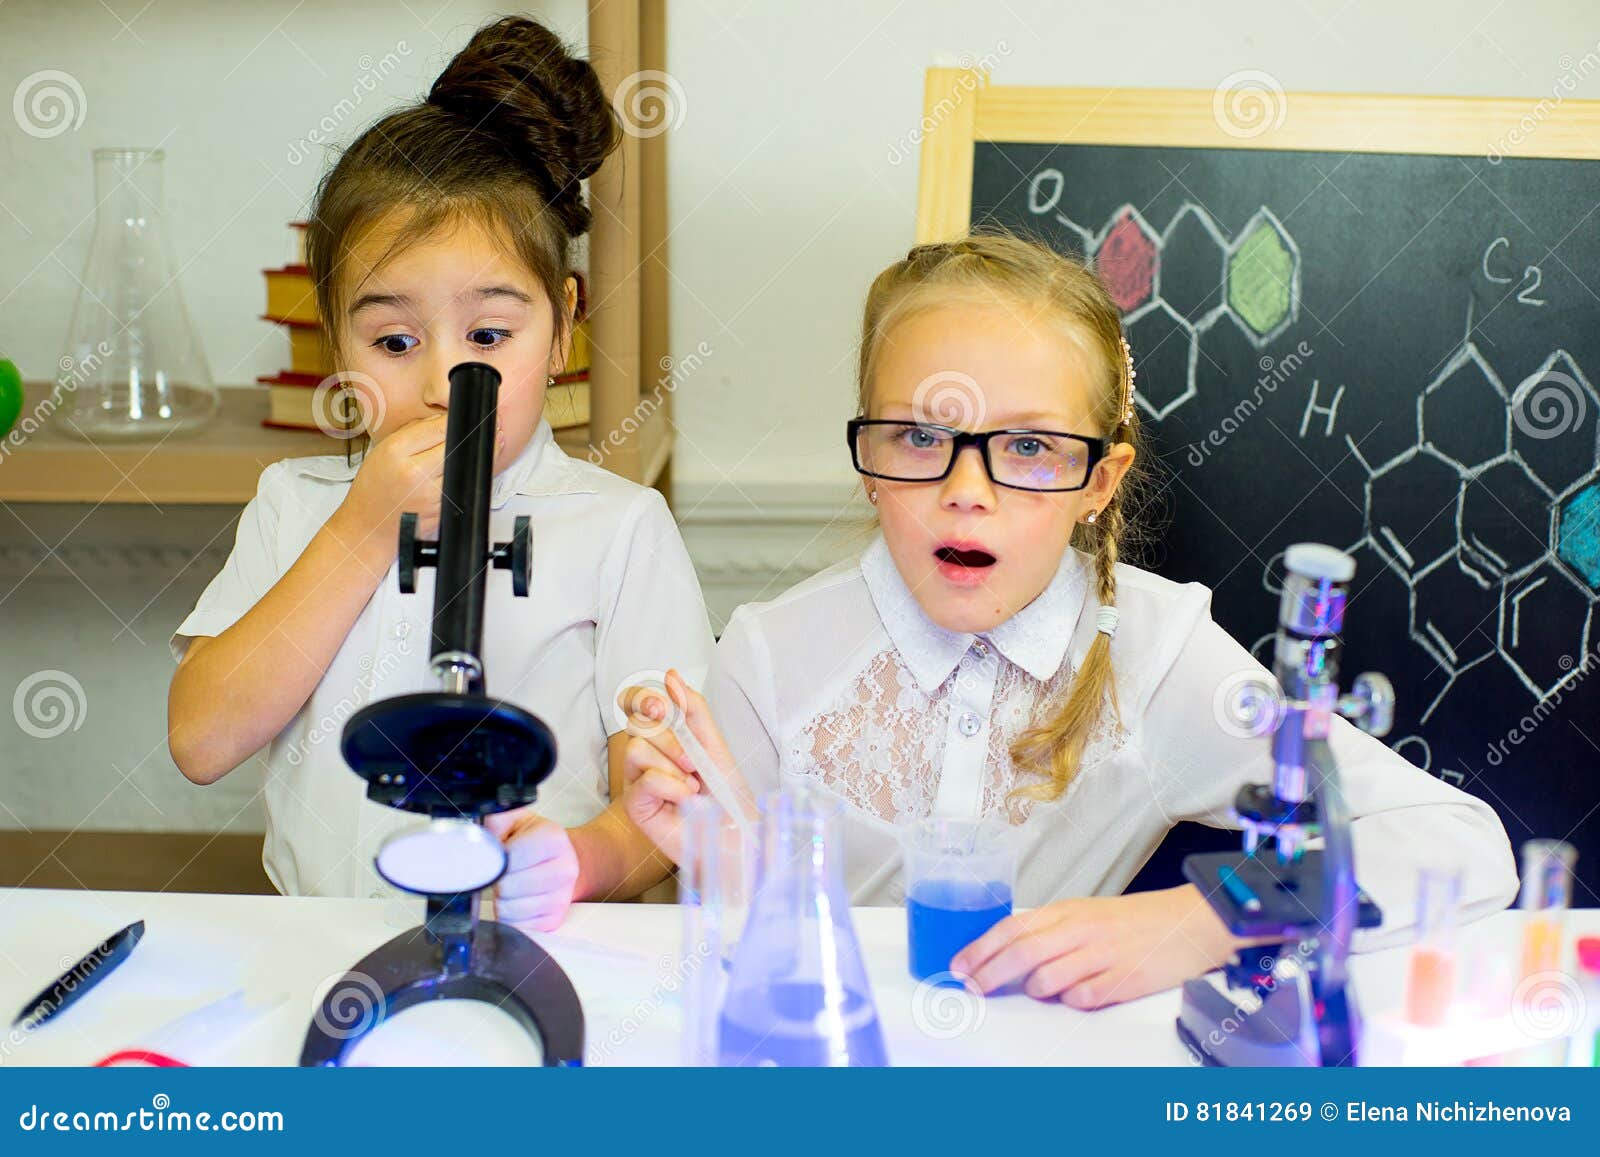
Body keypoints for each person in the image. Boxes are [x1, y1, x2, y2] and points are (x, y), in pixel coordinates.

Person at [619, 233, 1518, 1008]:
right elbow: (733, 964)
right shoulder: (768, 657)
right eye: (921, 437)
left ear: (1099, 481)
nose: (966, 491)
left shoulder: (1155, 655)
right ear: (868, 458)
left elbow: (1457, 841)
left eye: (1029, 447)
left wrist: (1206, 919)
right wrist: (726, 867)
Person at [168, 17, 712, 929]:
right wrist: (360, 531)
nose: (441, 383)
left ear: (564, 325)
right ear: (335, 339)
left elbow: (661, 808)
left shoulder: (619, 529)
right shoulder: (293, 507)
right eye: (392, 340)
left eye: (489, 334)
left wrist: (577, 862)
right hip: (323, 950)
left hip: (542, 945)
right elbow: (201, 738)